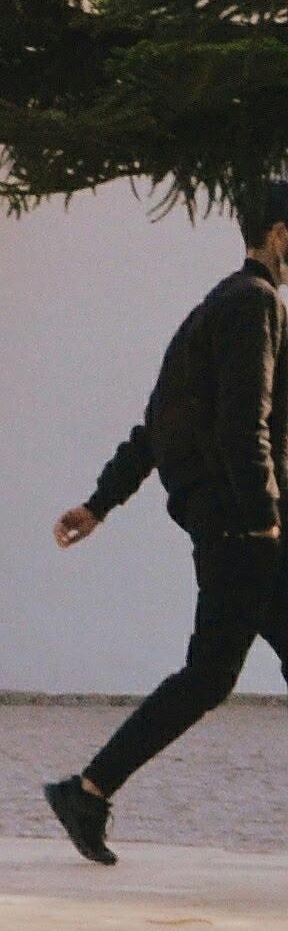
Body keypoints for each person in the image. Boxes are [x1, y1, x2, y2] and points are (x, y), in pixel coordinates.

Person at [44, 182, 288, 862]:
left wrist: (100, 503)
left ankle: (86, 793)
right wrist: (266, 521)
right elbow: (245, 426)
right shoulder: (256, 306)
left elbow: (157, 426)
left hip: (236, 525)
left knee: (209, 674)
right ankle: (85, 791)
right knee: (208, 675)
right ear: (279, 236)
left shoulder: (211, 308)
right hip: (248, 530)